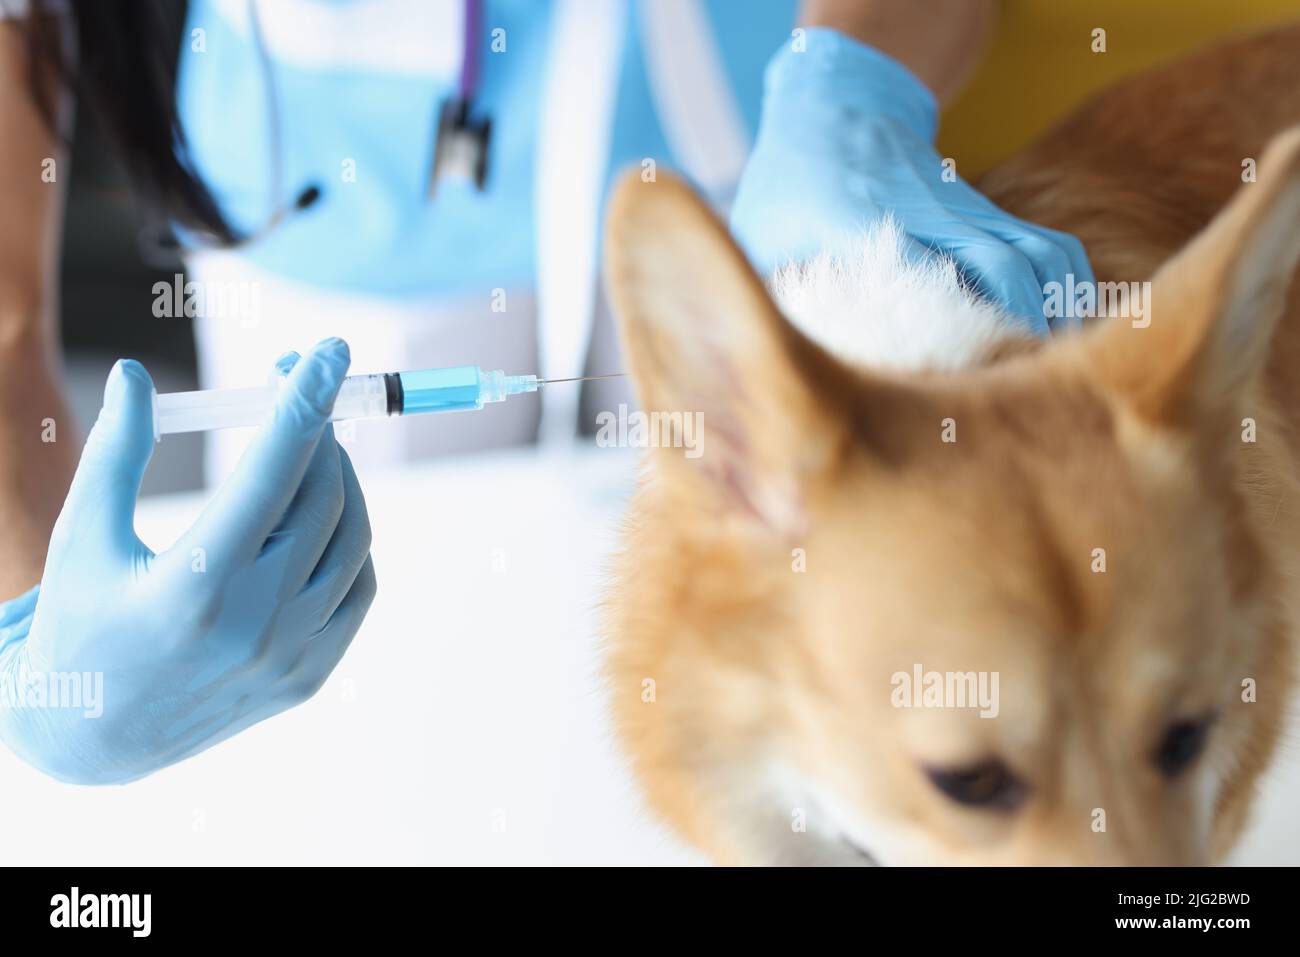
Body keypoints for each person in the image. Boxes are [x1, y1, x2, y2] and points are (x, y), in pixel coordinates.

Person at [1, 0, 1286, 784]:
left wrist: (853, 90)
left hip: (755, 169)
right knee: (398, 701)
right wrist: (33, 650)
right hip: (319, 205)